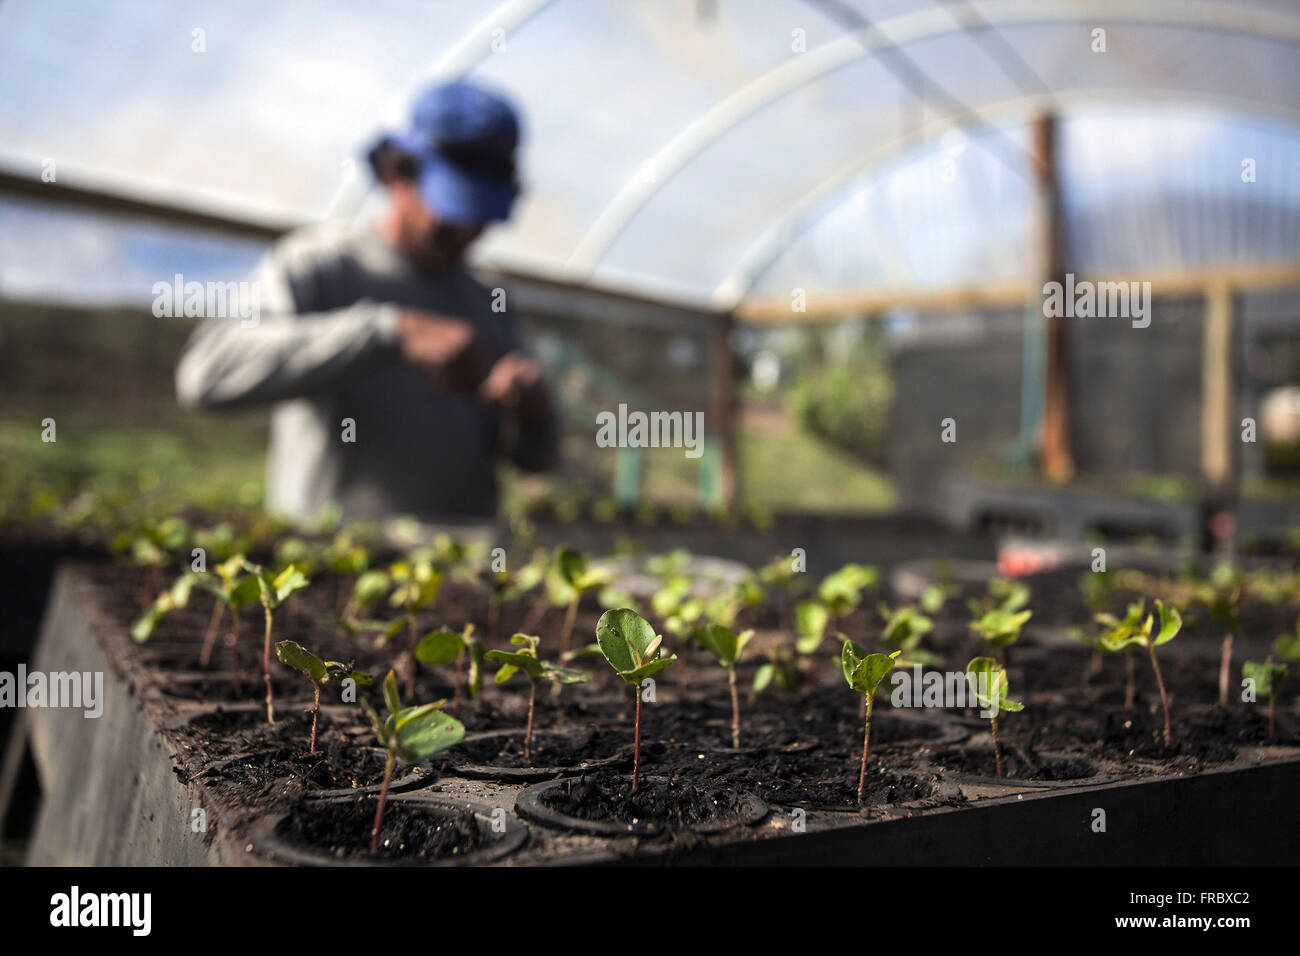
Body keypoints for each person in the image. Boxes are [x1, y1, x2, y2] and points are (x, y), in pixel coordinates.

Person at [176, 81, 556, 523]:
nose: (468, 231)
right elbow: (207, 374)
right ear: (395, 173)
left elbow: (535, 461)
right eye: (451, 212)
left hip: (465, 569)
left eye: (480, 217)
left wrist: (532, 413)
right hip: (330, 568)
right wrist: (389, 332)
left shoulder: (490, 298)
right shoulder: (319, 264)